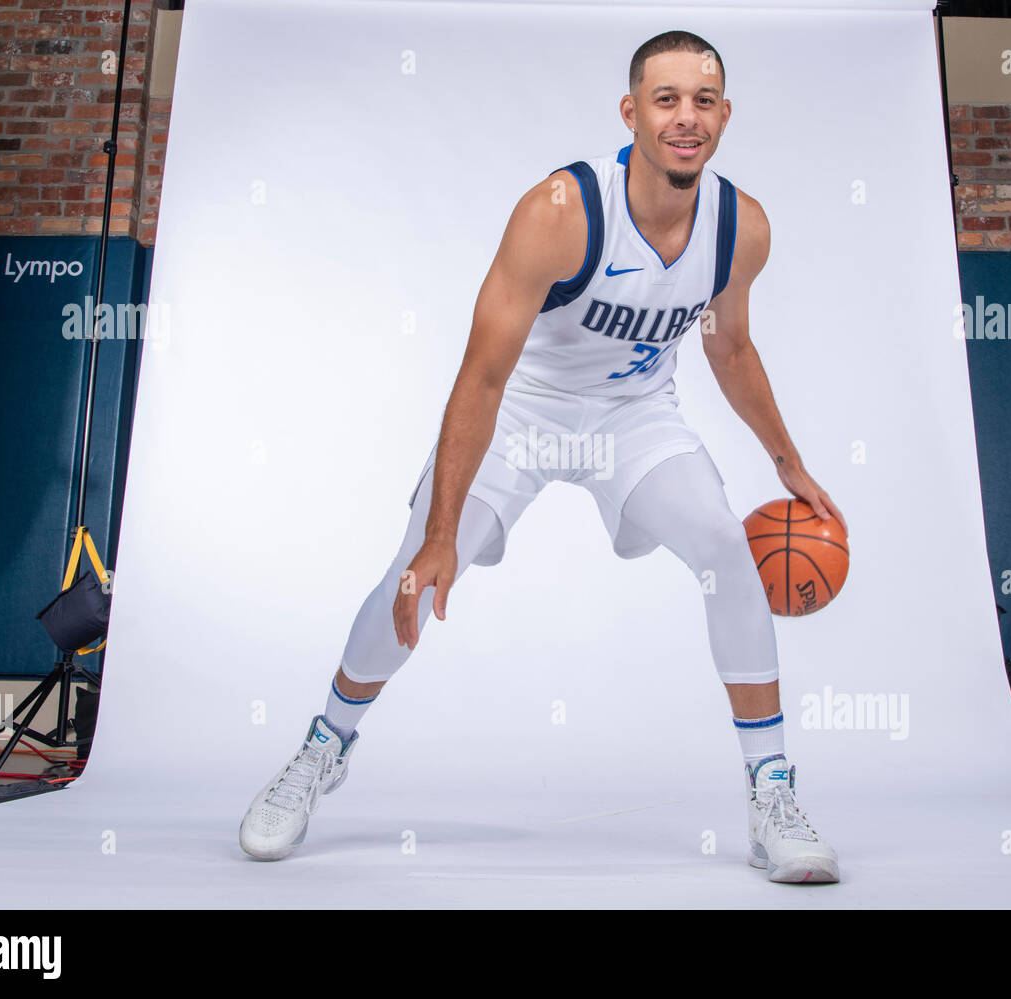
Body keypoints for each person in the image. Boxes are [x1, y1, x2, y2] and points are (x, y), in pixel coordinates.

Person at [239, 29, 848, 884]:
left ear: (725, 115)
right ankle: (321, 748)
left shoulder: (740, 228)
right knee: (409, 578)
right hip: (522, 410)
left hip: (635, 416)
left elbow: (730, 346)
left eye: (703, 101)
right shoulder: (560, 212)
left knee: (724, 544)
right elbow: (483, 376)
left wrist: (787, 462)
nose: (686, 118)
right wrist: (442, 532)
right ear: (632, 111)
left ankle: (772, 793)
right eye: (666, 100)